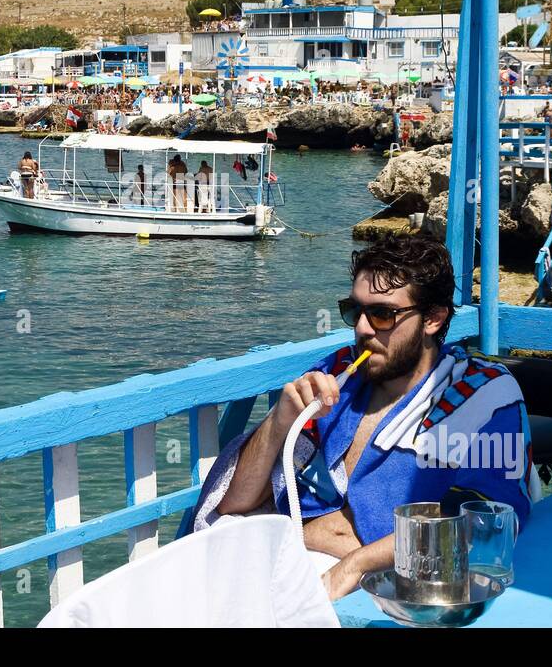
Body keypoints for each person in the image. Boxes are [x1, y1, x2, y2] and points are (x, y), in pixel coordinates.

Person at [193, 234, 534, 601]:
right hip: (293, 563)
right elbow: (234, 503)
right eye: (356, 310)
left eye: (383, 314)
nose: (362, 328)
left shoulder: (484, 396)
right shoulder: (338, 372)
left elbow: (480, 523)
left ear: (433, 319)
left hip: (390, 587)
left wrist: (353, 565)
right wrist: (280, 421)